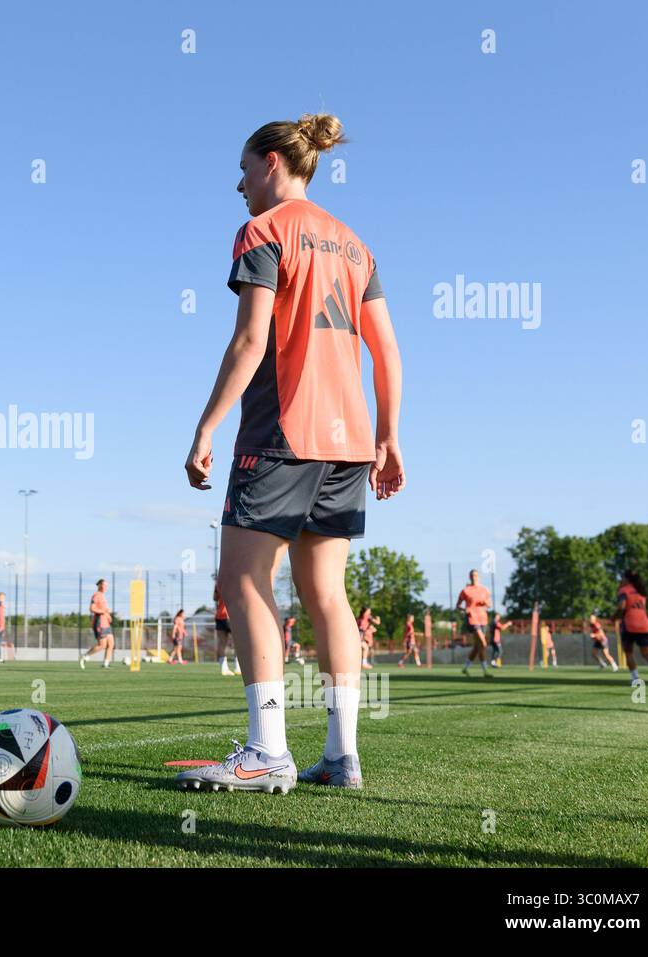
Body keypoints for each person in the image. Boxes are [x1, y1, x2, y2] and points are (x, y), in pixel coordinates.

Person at [175, 113, 404, 794]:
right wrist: (389, 434)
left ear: (273, 161)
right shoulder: (356, 245)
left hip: (281, 433)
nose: (238, 183)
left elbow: (250, 341)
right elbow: (387, 349)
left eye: (244, 168)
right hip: (349, 442)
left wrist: (206, 426)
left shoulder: (264, 230)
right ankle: (341, 756)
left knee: (243, 581)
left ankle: (267, 748)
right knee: (327, 593)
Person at [615, 569, 648, 686]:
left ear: (626, 579)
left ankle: (635, 677)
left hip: (629, 624)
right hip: (644, 624)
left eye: (622, 578)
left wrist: (614, 617)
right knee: (647, 653)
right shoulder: (641, 592)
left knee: (628, 652)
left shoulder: (624, 590)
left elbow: (621, 607)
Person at [456, 570, 492, 677]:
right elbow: (458, 605)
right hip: (472, 619)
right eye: (472, 575)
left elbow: (489, 604)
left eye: (476, 575)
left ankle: (466, 668)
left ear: (479, 577)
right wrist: (464, 610)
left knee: (477, 646)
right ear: (469, 577)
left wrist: (485, 603)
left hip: (483, 619)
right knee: (483, 643)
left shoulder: (484, 590)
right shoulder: (466, 590)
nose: (474, 577)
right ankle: (486, 670)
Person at [80, 579, 115, 669]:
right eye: (104, 585)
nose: (106, 587)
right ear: (99, 585)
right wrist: (104, 611)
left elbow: (104, 610)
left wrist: (108, 615)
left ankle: (106, 664)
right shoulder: (96, 595)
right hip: (99, 623)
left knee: (111, 644)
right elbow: (92, 609)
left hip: (106, 623)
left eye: (107, 586)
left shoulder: (103, 596)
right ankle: (85, 656)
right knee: (102, 645)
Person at [214, 581, 238, 676]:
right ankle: (238, 667)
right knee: (238, 642)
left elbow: (215, 598)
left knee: (222, 643)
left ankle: (224, 669)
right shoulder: (235, 580)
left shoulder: (219, 582)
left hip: (219, 615)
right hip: (230, 615)